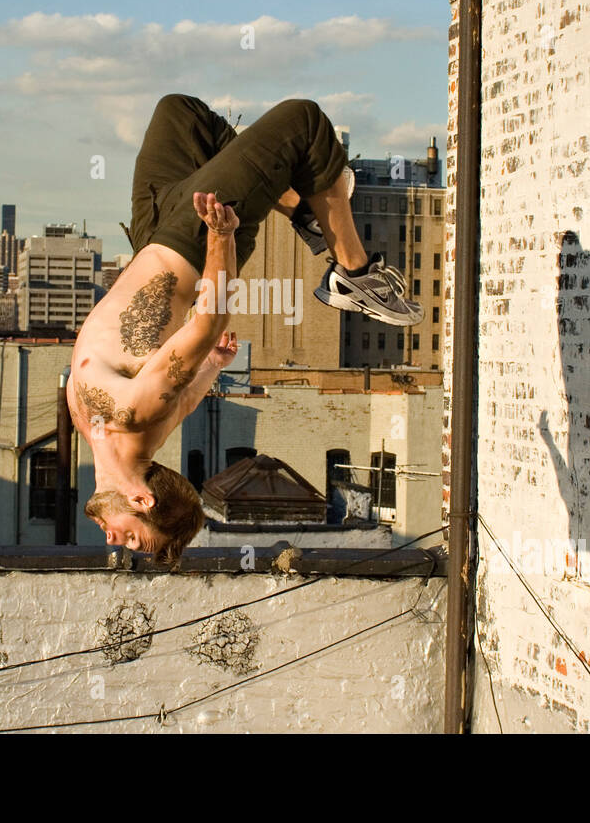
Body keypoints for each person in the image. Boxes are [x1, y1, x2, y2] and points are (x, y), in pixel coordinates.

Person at [69, 94, 424, 566]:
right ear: (143, 503)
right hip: (193, 240)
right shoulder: (135, 417)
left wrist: (214, 365)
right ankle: (354, 274)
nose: (114, 541)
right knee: (303, 123)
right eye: (132, 539)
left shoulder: (120, 437)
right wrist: (220, 237)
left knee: (180, 113)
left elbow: (186, 399)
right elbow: (209, 320)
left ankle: (303, 206)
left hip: (151, 231)